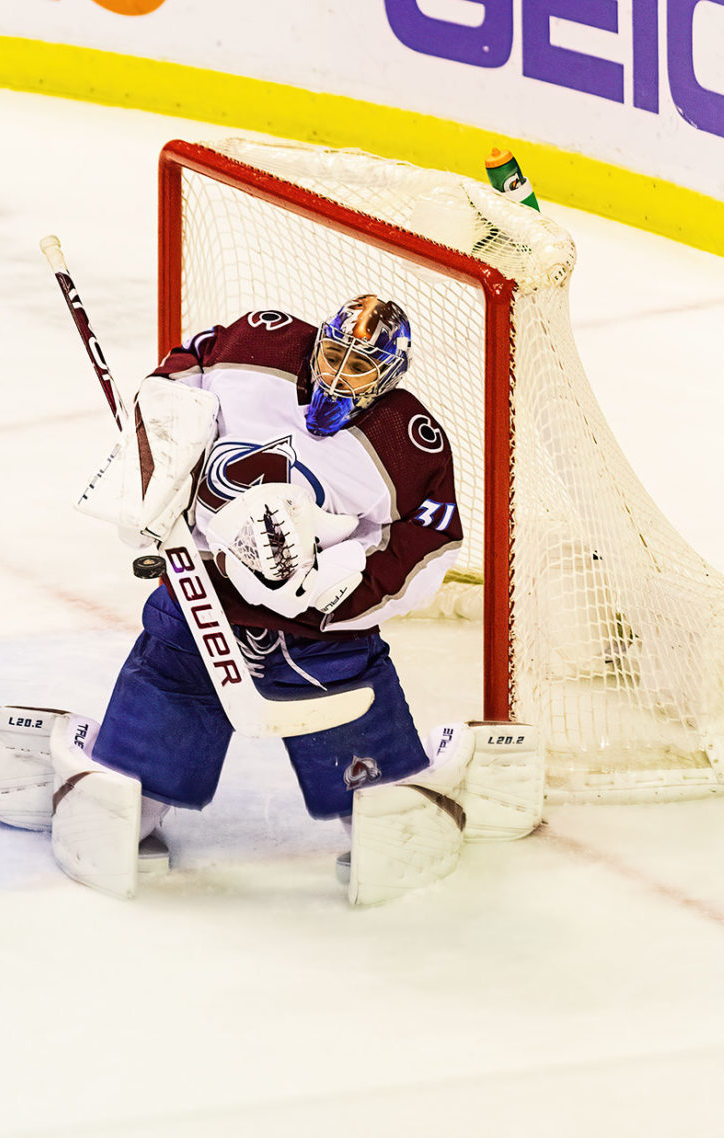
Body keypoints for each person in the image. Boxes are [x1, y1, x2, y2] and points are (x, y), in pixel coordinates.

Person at [79, 293, 465, 862]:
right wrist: (153, 475)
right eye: (333, 354)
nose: (337, 374)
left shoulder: (407, 441)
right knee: (125, 808)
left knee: (387, 829)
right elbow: (176, 379)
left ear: (389, 374)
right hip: (197, 591)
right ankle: (136, 784)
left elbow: (429, 544)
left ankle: (383, 796)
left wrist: (335, 594)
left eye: (358, 366)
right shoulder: (259, 342)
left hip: (317, 637)